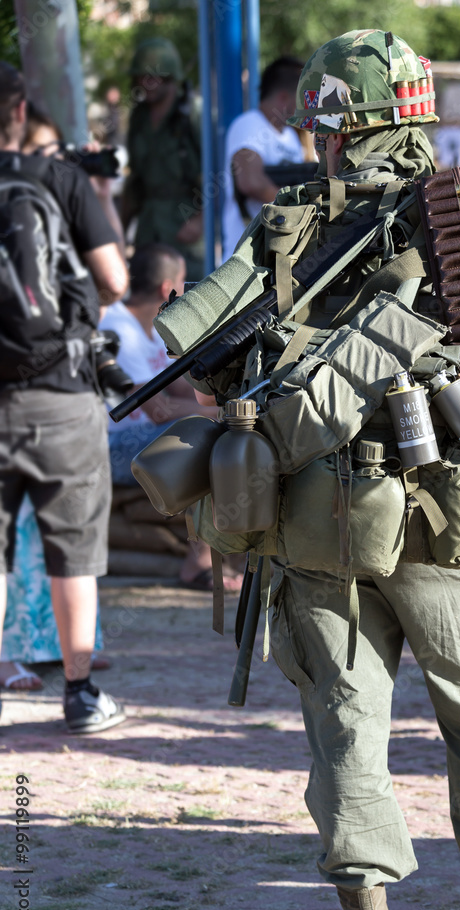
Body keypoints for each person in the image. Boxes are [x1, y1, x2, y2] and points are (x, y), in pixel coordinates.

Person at [152, 29, 460, 910]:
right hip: (454, 510)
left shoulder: (286, 229)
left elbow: (213, 375)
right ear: (416, 113)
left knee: (345, 720)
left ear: (329, 129)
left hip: (319, 518)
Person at [0, 62, 128, 730]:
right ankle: (79, 694)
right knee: (71, 546)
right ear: (18, 112)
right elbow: (113, 279)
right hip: (61, 393)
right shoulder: (61, 179)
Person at [104, 242, 240, 591]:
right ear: (169, 288)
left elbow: (182, 390)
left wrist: (221, 406)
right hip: (113, 448)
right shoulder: (118, 328)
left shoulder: (148, 327)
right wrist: (222, 414)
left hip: (141, 438)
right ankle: (197, 563)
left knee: (216, 429)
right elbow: (157, 409)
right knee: (206, 438)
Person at [122, 38, 203, 283]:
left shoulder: (192, 113)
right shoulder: (139, 117)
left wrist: (202, 221)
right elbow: (135, 177)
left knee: (188, 295)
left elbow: (220, 171)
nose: (145, 84)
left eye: (153, 77)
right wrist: (119, 227)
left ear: (170, 78)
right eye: (141, 77)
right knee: (144, 288)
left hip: (185, 221)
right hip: (148, 224)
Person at [222, 56, 304, 261]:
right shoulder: (249, 125)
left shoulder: (291, 137)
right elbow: (250, 182)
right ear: (284, 97)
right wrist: (298, 208)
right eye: (301, 97)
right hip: (244, 257)